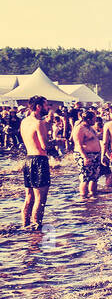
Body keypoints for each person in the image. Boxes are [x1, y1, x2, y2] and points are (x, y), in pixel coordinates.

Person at [19, 97, 52, 230]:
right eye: (45, 105)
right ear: (38, 106)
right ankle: (36, 228)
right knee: (40, 199)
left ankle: (25, 226)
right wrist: (57, 141)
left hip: (28, 160)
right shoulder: (39, 123)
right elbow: (44, 146)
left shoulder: (24, 121)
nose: (47, 108)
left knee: (29, 197)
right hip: (39, 160)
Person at [71, 108, 103, 199]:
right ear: (88, 119)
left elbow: (95, 138)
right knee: (85, 178)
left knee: (94, 177)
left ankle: (93, 197)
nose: (95, 120)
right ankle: (84, 198)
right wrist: (85, 157)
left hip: (95, 155)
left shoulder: (90, 128)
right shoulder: (79, 129)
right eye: (94, 119)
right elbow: (78, 145)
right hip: (85, 155)